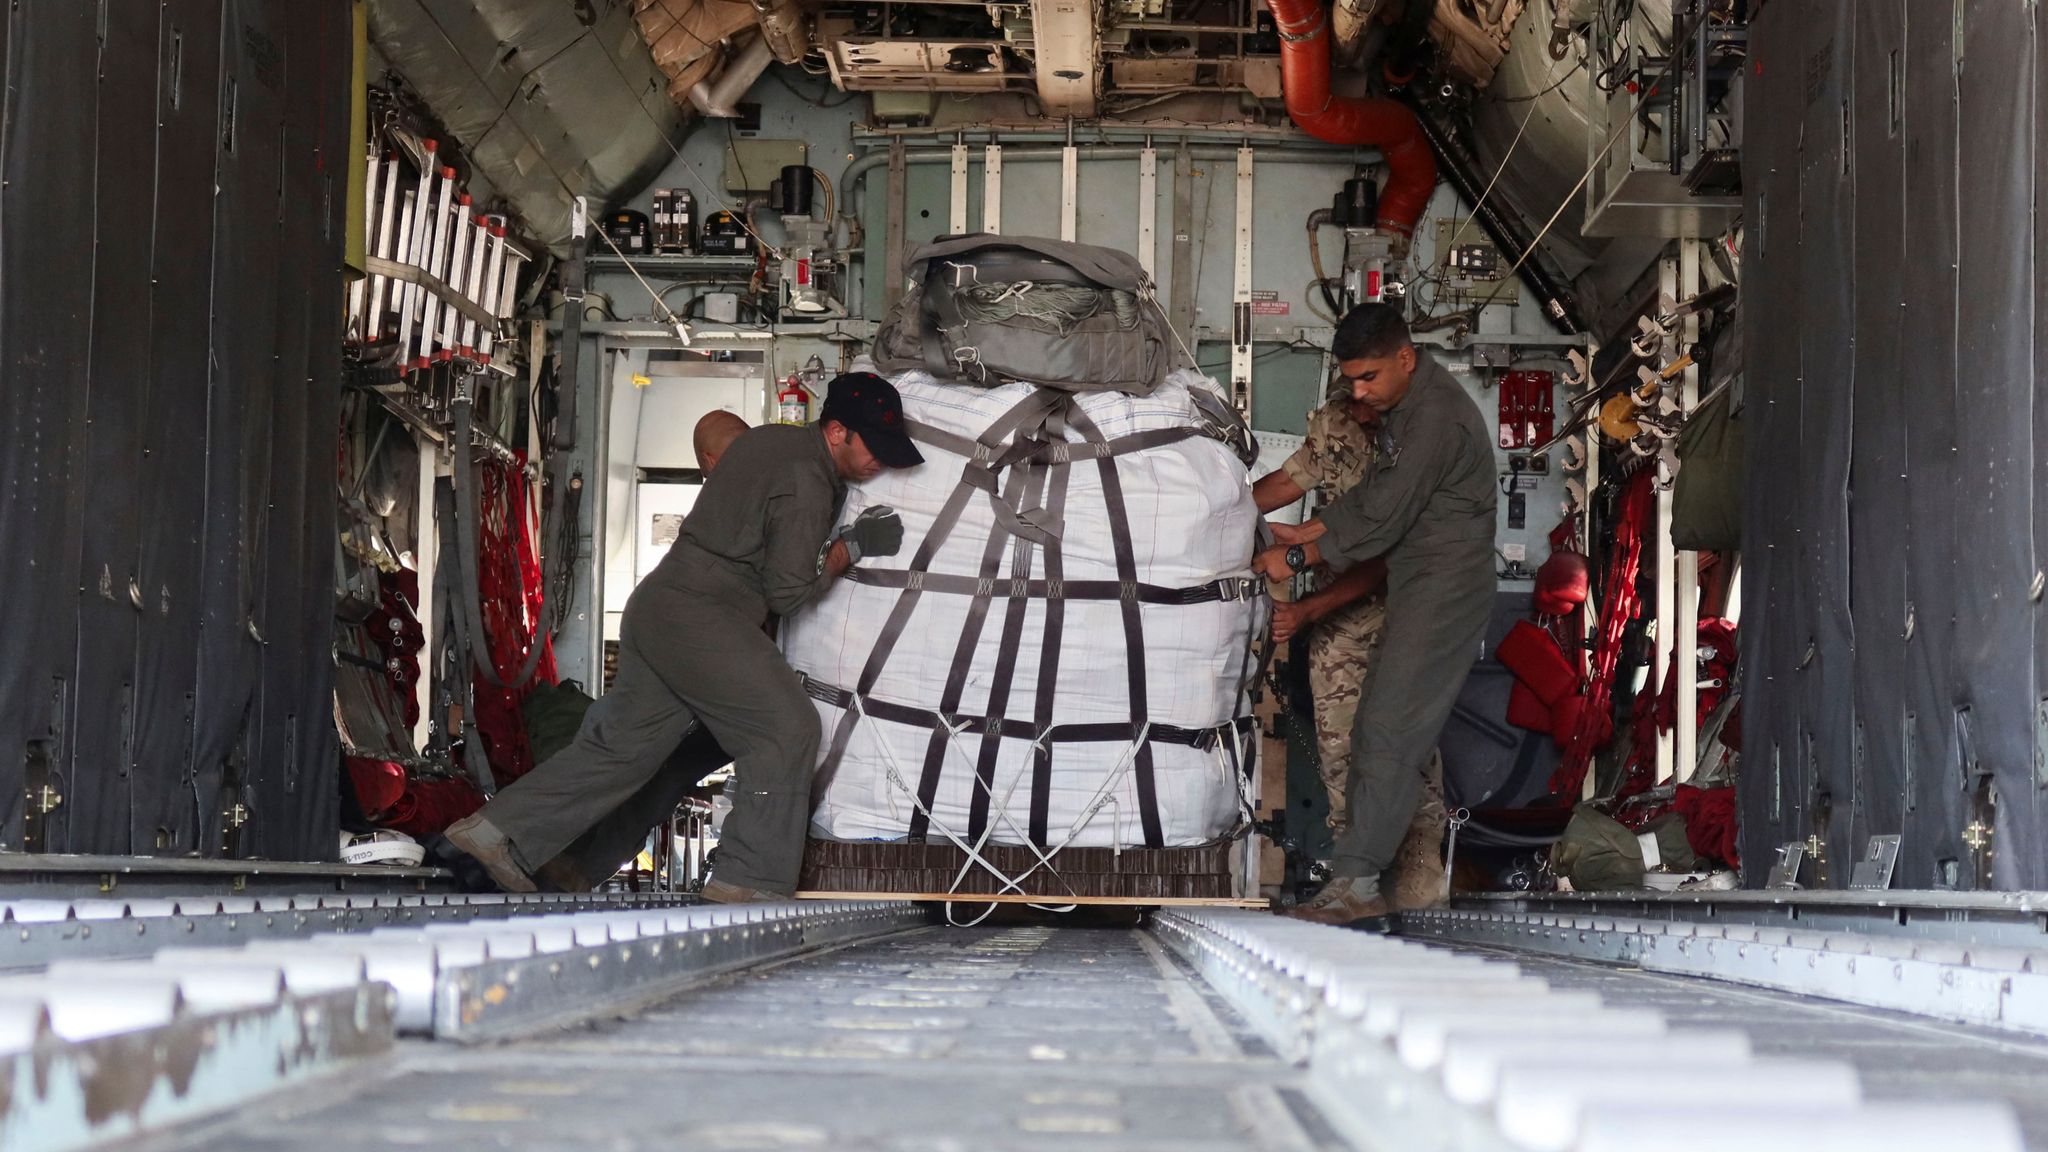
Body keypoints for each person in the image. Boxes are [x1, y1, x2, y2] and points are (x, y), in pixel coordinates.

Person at [441, 372, 925, 901]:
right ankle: (749, 880)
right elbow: (788, 591)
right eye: (873, 448)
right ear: (836, 432)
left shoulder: (768, 442)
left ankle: (496, 835)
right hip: (702, 614)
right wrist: (851, 547)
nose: (880, 462)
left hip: (659, 608)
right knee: (787, 730)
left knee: (624, 750)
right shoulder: (807, 475)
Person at [1252, 304, 1496, 924]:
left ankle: (1360, 887)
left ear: (1405, 359)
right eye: (1351, 380)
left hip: (1440, 588)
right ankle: (1355, 881)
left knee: (1387, 731)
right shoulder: (1407, 407)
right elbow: (1363, 500)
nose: (1358, 392)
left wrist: (1301, 555)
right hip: (1421, 583)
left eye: (1368, 378)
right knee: (1378, 733)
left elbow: (1383, 516)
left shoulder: (1432, 419)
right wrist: (1285, 530)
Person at [1251, 381, 1449, 913]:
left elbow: (1388, 556)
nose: (1362, 412)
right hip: (1345, 614)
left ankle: (1419, 868)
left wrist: (1308, 604)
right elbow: (1288, 481)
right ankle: (1355, 874)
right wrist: (1228, 513)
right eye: (1354, 401)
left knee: (1408, 743)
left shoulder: (1423, 443)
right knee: (1340, 744)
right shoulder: (1339, 424)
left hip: (1411, 607)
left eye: (1372, 400)